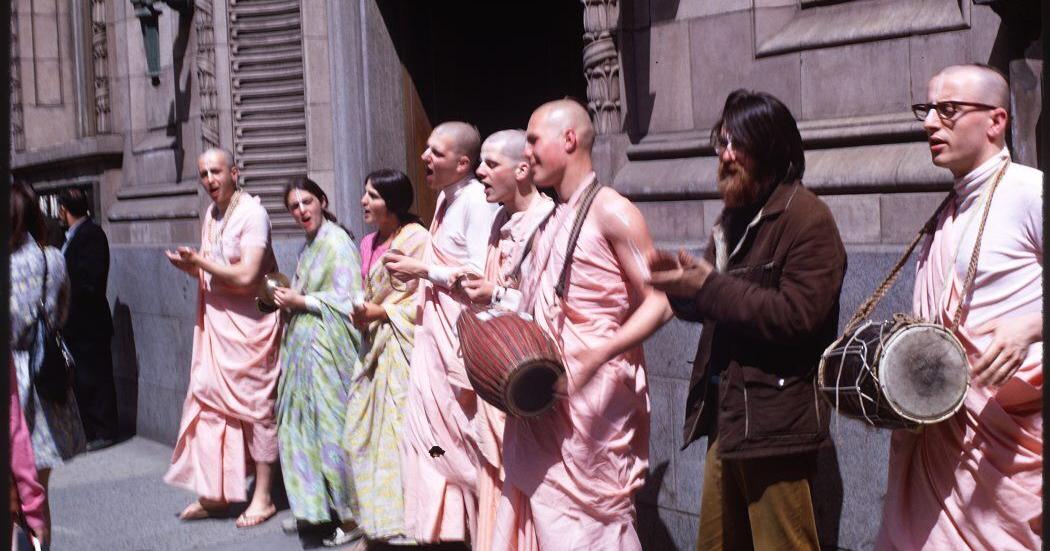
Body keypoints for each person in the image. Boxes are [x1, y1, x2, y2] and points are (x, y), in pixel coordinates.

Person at [647, 90, 846, 551]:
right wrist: (683, 294)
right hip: (730, 419)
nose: (726, 155)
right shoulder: (734, 218)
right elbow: (720, 305)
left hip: (777, 426)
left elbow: (797, 316)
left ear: (772, 149)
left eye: (739, 144)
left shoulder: (807, 219)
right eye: (722, 142)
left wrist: (707, 288)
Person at [492, 100, 671, 551]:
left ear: (568, 139)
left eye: (533, 139)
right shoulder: (556, 216)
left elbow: (660, 303)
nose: (527, 152)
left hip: (594, 398)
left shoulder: (612, 210)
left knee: (593, 531)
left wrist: (598, 354)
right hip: (554, 391)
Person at [876, 64, 1042, 550]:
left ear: (996, 121)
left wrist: (1031, 326)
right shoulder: (949, 209)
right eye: (926, 110)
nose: (929, 123)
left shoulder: (1030, 192)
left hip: (1002, 449)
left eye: (947, 110)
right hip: (934, 439)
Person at [384, 121, 498, 544]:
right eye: (426, 150)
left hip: (458, 343)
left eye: (435, 152)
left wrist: (422, 269)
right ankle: (447, 535)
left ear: (463, 162)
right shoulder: (446, 200)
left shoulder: (474, 202)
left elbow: (478, 275)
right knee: (433, 443)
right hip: (432, 340)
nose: (424, 158)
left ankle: (477, 535)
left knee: (460, 443)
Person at [163, 148, 282, 528]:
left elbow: (247, 276)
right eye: (203, 174)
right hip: (218, 326)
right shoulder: (212, 214)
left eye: (216, 171)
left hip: (252, 329)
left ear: (234, 172)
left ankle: (263, 496)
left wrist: (199, 262)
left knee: (258, 411)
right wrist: (190, 267)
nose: (209, 180)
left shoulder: (252, 214)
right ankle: (216, 493)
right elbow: (212, 273)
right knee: (211, 407)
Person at [454, 129, 554, 551]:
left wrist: (494, 294)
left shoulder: (547, 222)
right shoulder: (499, 219)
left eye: (491, 164)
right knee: (495, 478)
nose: (480, 172)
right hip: (497, 380)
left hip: (529, 382)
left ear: (523, 169)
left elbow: (548, 309)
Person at [269, 177, 364, 546]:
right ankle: (313, 508)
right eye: (294, 206)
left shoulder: (337, 242)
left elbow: (348, 298)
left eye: (307, 201)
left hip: (326, 350)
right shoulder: (310, 245)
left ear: (322, 201)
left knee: (330, 430)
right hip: (303, 350)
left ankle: (350, 515)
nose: (301, 210)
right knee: (301, 427)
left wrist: (302, 302)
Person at [343, 169, 428, 545]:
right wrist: (362, 312)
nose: (364, 201)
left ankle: (403, 524)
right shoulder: (366, 244)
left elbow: (425, 299)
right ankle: (374, 518)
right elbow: (368, 291)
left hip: (403, 349)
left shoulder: (417, 240)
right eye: (364, 193)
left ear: (392, 202)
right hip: (372, 347)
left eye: (373, 195)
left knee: (395, 436)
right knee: (359, 434)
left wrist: (381, 313)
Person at [9, 182, 86, 546]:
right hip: (45, 381)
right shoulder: (53, 258)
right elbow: (63, 314)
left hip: (13, 382)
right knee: (38, 493)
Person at [56, 188, 119, 452]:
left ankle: (104, 430)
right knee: (83, 378)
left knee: (97, 377)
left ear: (63, 210)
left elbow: (91, 282)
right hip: (76, 324)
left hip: (89, 323)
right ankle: (91, 430)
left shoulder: (91, 235)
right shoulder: (69, 236)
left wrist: (65, 289)